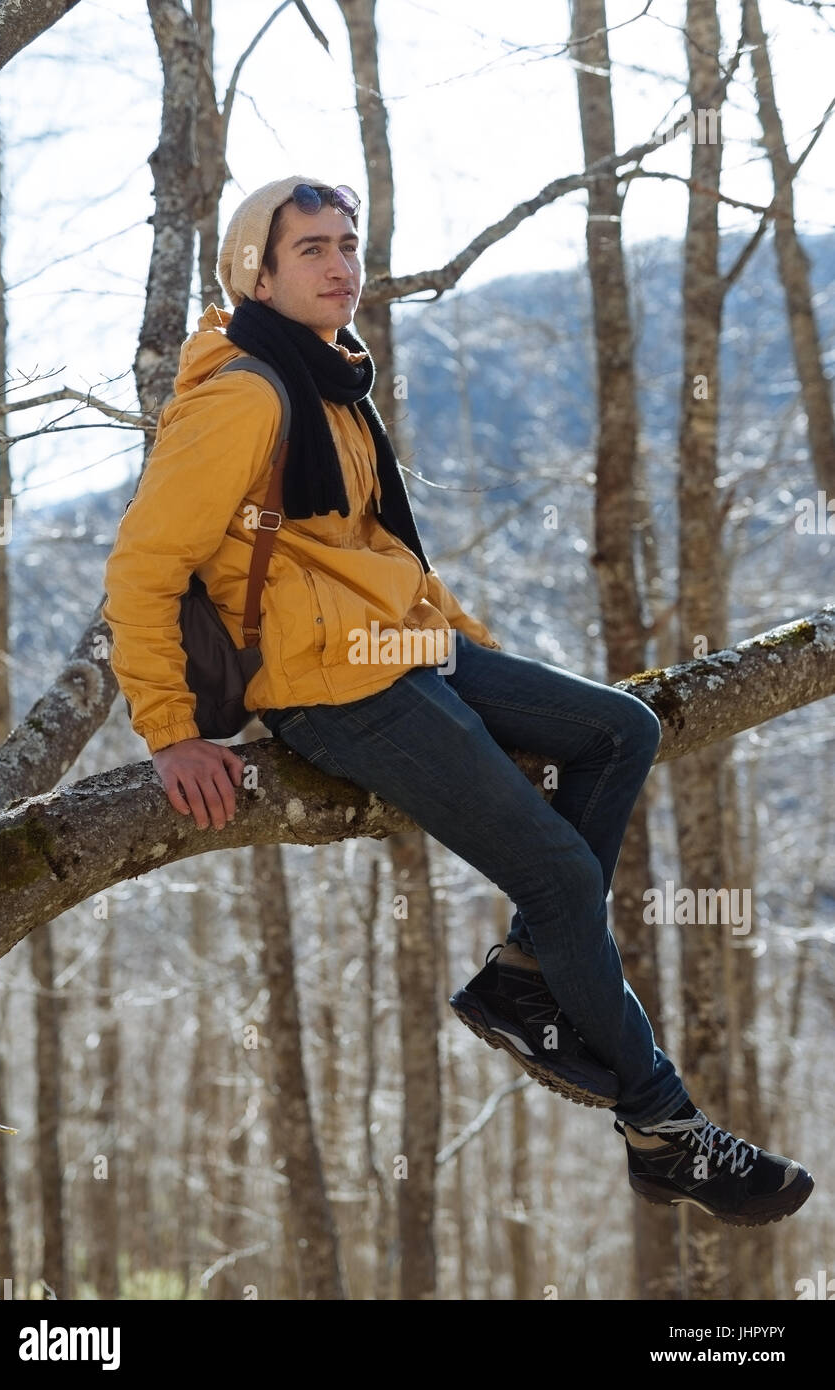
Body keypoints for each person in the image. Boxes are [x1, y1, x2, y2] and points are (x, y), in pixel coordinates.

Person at [102, 176, 813, 1229]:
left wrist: (479, 668)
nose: (340, 264)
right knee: (560, 869)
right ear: (256, 269)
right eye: (310, 250)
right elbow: (143, 565)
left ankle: (526, 974)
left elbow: (376, 549)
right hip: (328, 686)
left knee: (619, 727)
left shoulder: (331, 379)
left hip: (403, 651)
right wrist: (169, 734)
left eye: (347, 243)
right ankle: (662, 1128)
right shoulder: (245, 393)